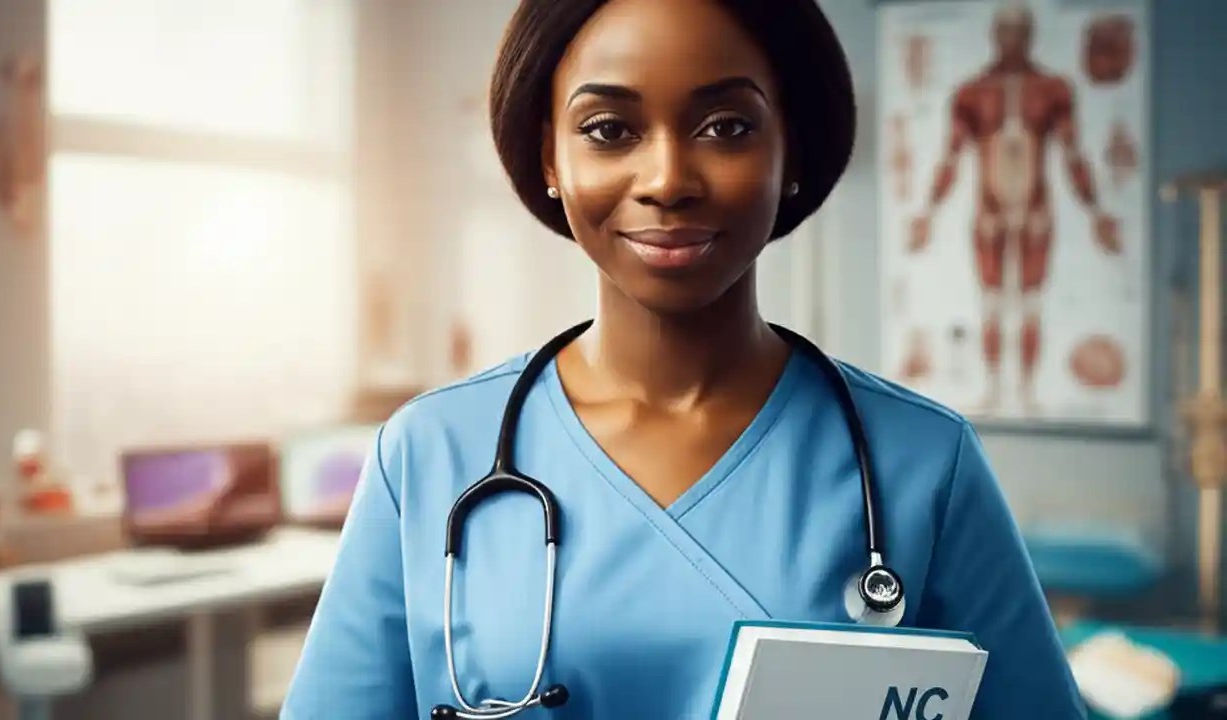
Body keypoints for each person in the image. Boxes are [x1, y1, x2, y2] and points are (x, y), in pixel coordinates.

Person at [283, 0, 1086, 717]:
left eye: (727, 127)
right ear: (550, 160)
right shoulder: (427, 455)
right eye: (609, 130)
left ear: (792, 151)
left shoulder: (924, 465)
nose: (667, 179)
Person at [909, 4, 1121, 416]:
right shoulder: (972, 92)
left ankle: (1023, 392)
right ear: (994, 33)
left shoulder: (1052, 89)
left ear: (1030, 34)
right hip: (989, 210)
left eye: (1019, 29)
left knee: (1029, 304)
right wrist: (927, 214)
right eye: (1005, 29)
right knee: (990, 303)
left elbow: (1074, 154)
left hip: (1034, 210)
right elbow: (950, 158)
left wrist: (1096, 212)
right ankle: (992, 389)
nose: (1011, 38)